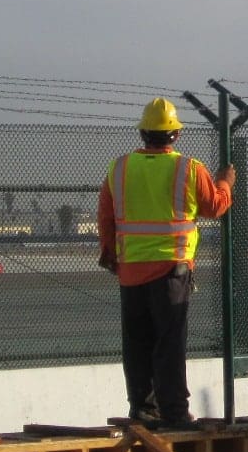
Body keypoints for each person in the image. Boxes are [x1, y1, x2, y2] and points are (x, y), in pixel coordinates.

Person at [98, 97, 234, 426]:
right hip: (172, 270)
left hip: (130, 272)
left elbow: (105, 215)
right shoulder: (189, 168)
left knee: (137, 343)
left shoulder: (119, 168)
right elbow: (214, 207)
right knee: (169, 343)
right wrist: (226, 183)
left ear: (143, 133)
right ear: (175, 135)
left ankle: (143, 409)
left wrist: (109, 254)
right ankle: (174, 411)